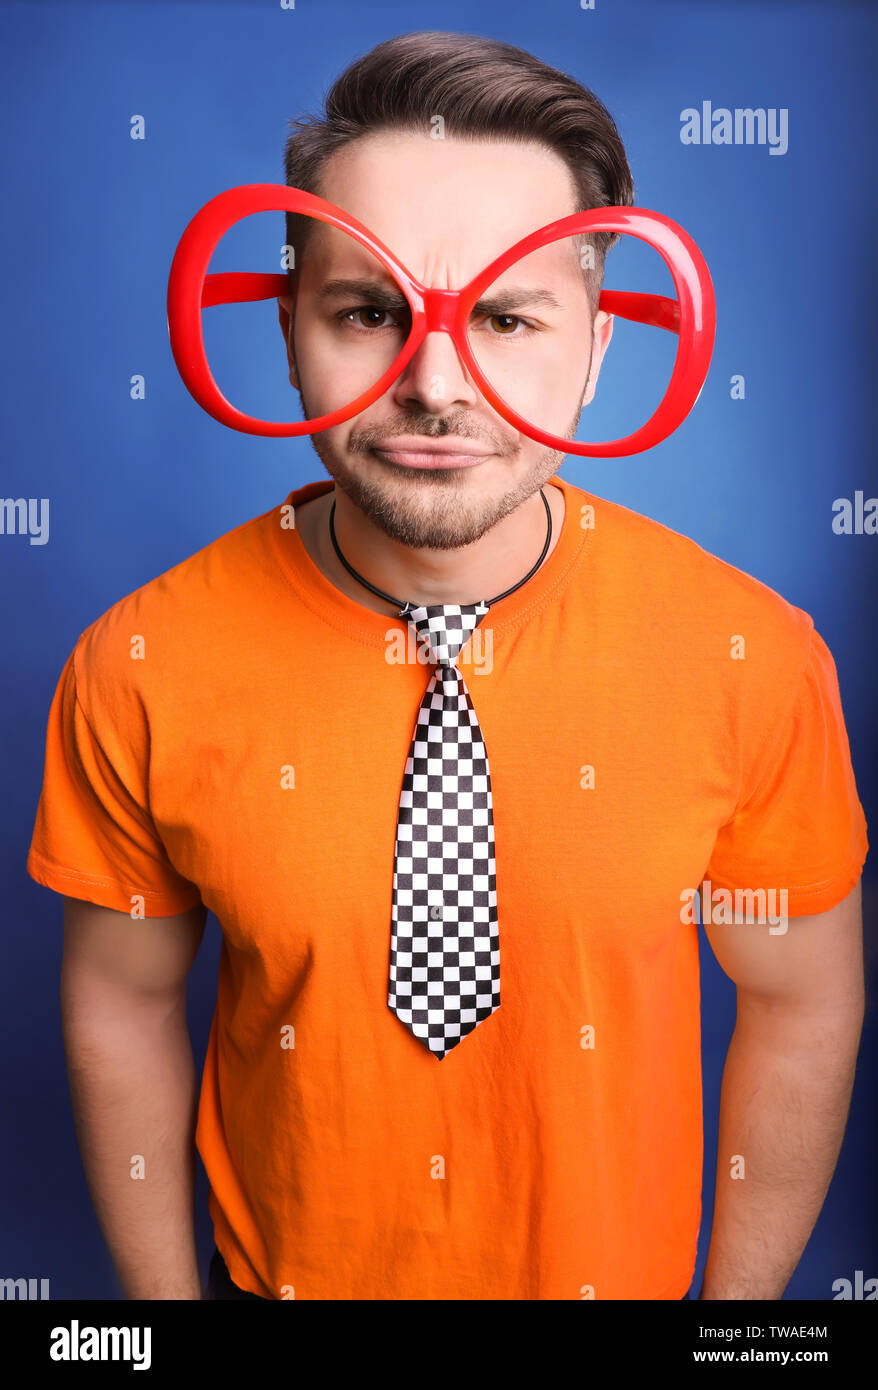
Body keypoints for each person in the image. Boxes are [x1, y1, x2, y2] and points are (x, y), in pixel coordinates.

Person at [27, 31, 867, 1302]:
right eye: (368, 310)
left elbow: (800, 1002)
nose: (431, 385)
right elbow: (121, 1008)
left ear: (594, 346)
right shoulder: (138, 663)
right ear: (287, 327)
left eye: (505, 316)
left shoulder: (752, 657)